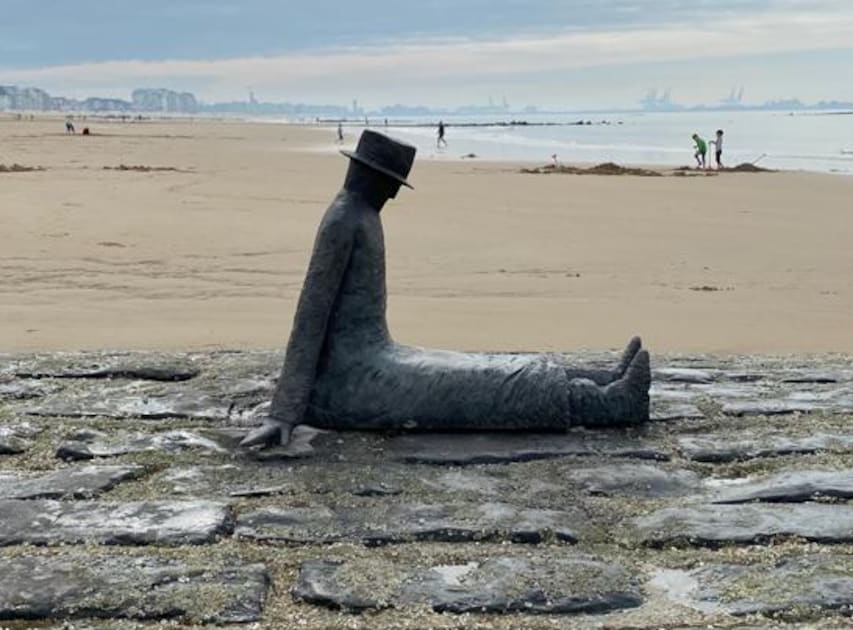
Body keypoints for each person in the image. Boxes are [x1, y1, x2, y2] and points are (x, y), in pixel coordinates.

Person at [240, 130, 650, 448]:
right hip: (351, 384)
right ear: (371, 175)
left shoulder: (360, 215)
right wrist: (284, 413)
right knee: (479, 385)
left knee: (485, 367)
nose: (395, 191)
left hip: (374, 360)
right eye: (391, 182)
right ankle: (610, 403)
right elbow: (310, 316)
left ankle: (602, 379)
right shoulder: (343, 220)